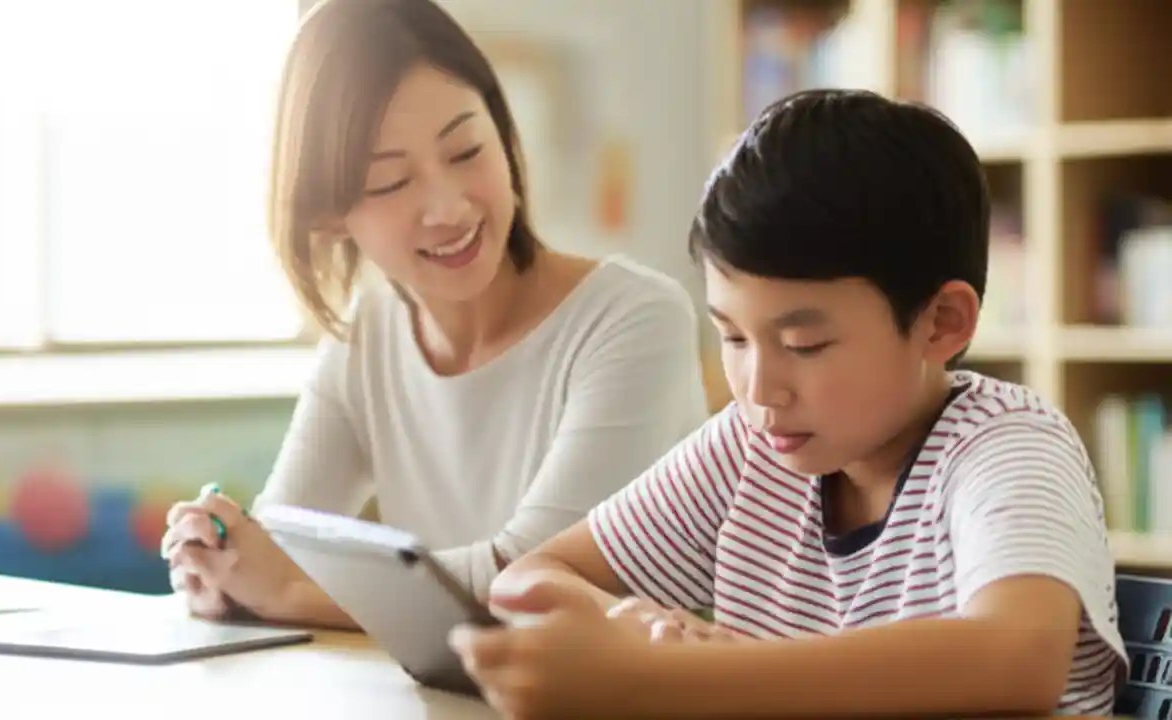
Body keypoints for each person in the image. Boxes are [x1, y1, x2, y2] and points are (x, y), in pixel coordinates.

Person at [451, 89, 1127, 719]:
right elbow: (534, 576)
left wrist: (664, 676)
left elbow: (1016, 657)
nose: (757, 387)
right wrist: (640, 632)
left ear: (941, 322)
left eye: (804, 344)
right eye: (732, 336)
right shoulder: (753, 446)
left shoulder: (1009, 444)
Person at [158, 0, 706, 630]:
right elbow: (283, 544)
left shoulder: (635, 320)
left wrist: (282, 593)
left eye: (467, 150)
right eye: (391, 184)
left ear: (502, 136)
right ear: (329, 213)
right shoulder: (367, 333)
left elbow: (535, 583)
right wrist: (220, 559)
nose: (447, 208)